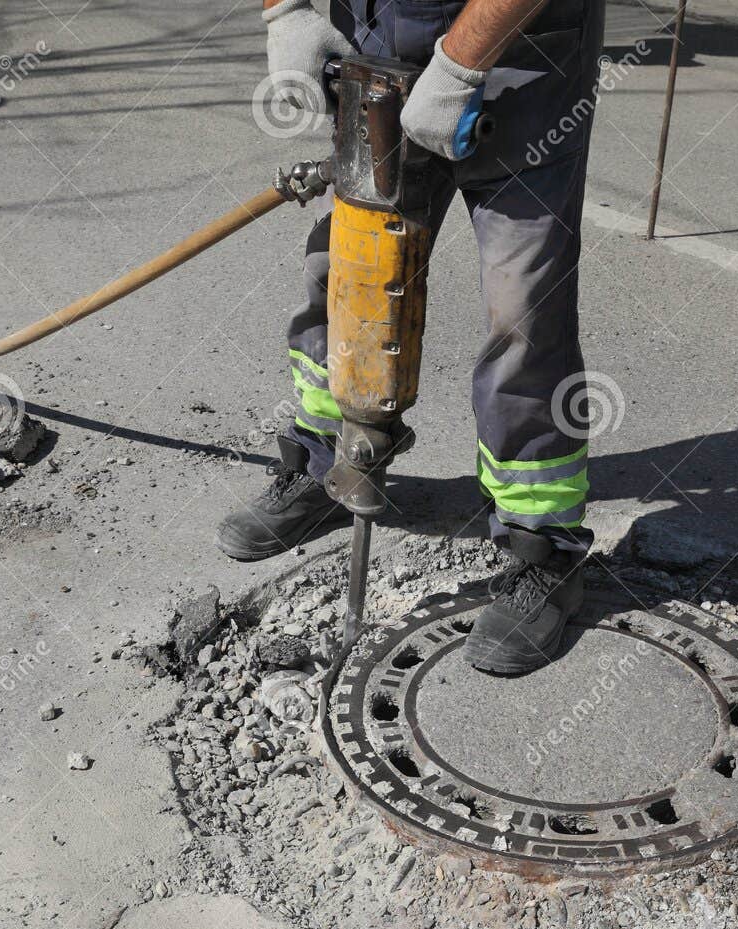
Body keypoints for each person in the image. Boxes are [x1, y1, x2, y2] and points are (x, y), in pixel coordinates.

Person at [219, 0, 607, 675]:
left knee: (525, 304)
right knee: (345, 267)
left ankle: (544, 548)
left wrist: (459, 66)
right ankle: (327, 465)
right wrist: (286, 12)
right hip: (381, 36)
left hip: (525, 55)